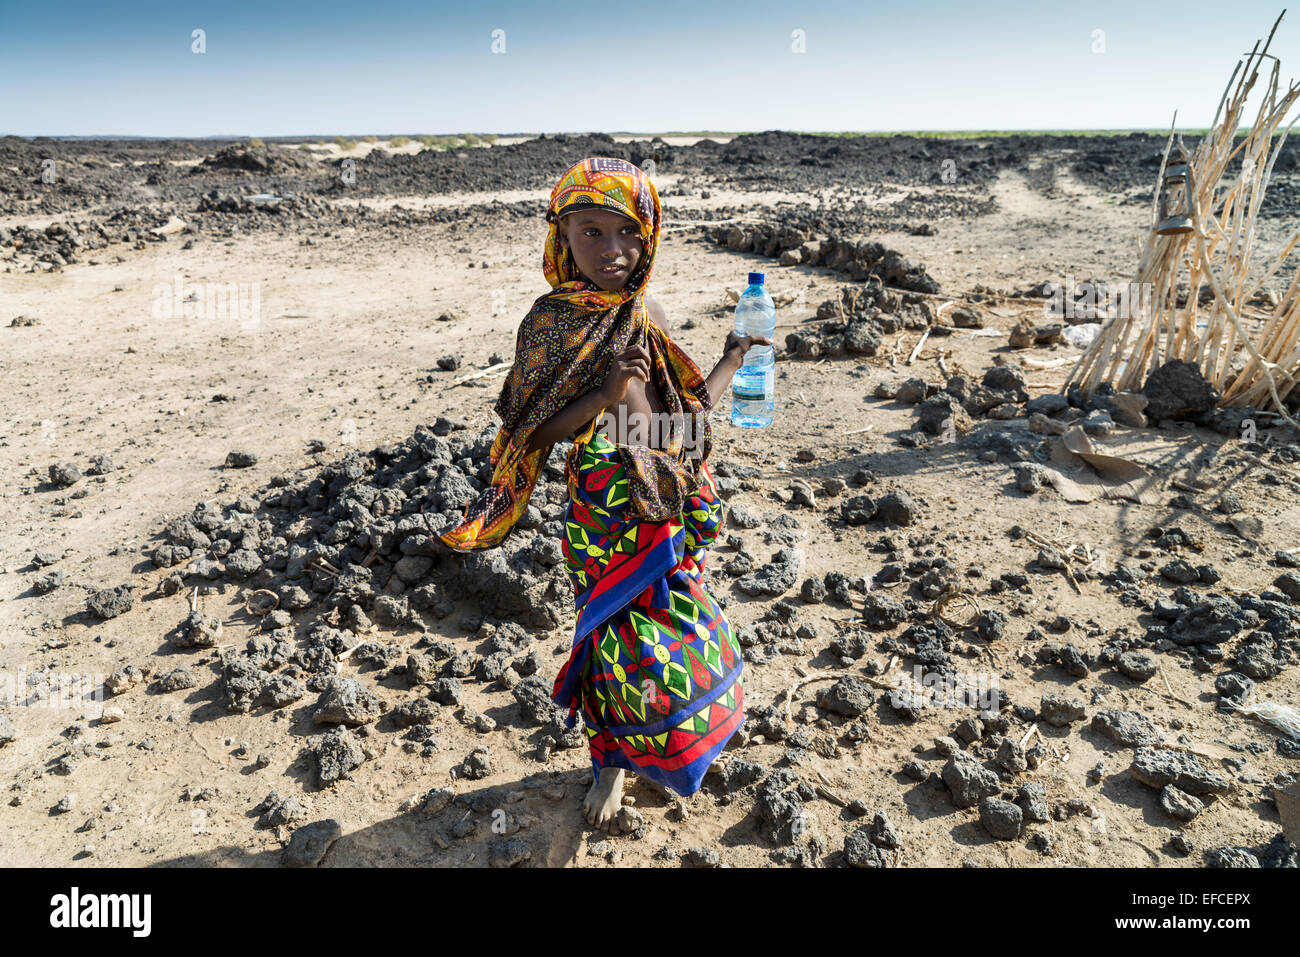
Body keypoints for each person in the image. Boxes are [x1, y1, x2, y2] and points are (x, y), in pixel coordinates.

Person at [439, 156, 770, 832]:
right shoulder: (552, 325)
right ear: (561, 236)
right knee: (612, 651)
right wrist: (603, 392)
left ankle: (666, 744)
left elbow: (682, 422)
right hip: (606, 526)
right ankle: (610, 767)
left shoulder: (643, 316)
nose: (611, 250)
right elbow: (531, 433)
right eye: (590, 232)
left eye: (626, 232)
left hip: (670, 516)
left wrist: (734, 359)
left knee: (676, 646)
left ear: (648, 234)